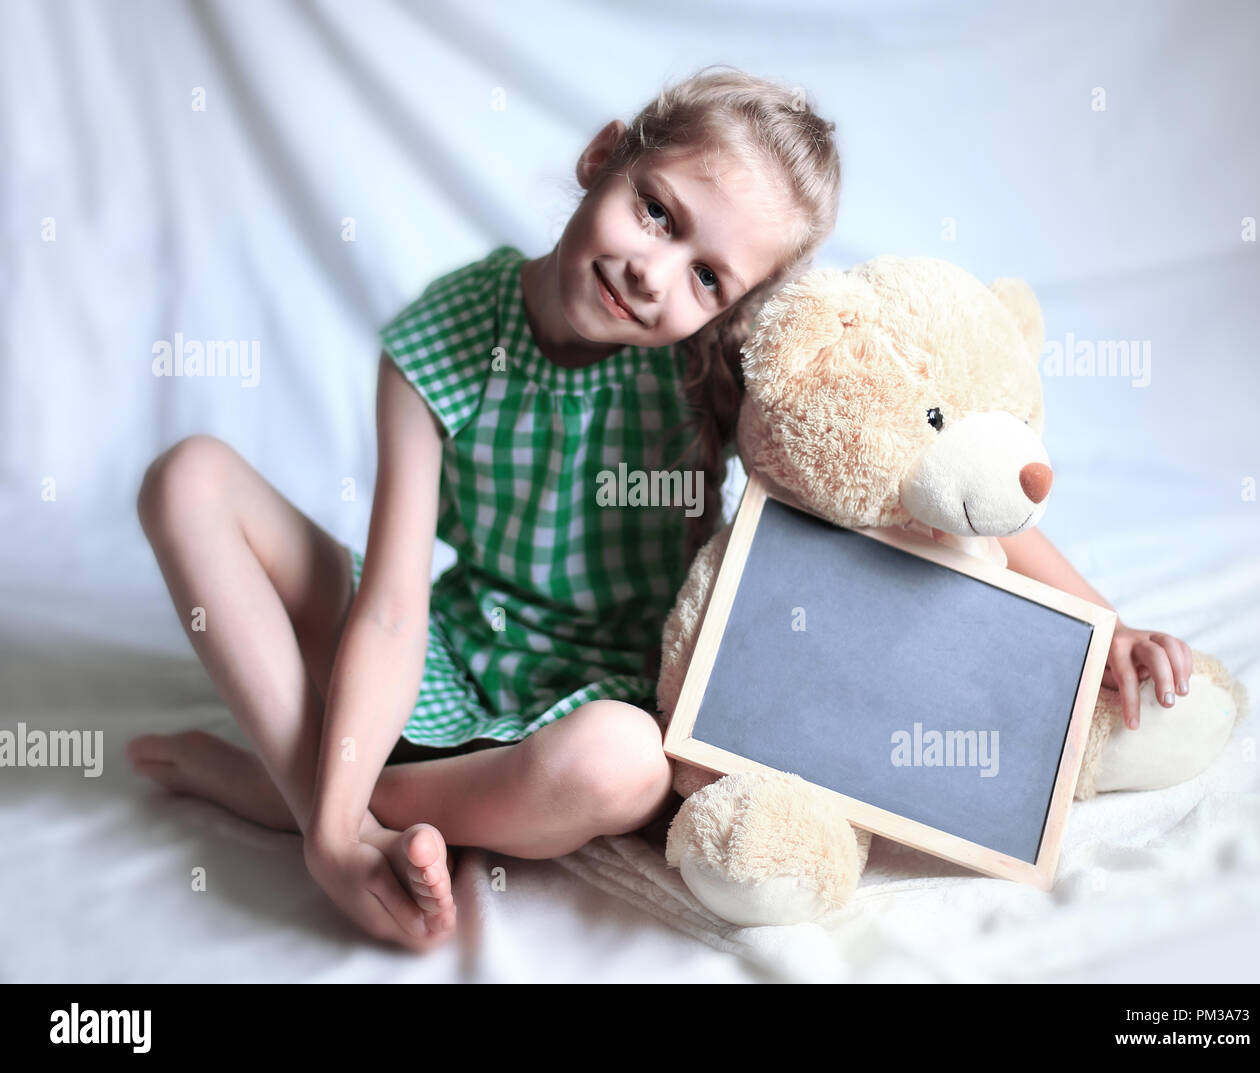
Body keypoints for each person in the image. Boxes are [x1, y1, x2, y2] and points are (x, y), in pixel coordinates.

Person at [128, 67, 1194, 954]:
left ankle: (302, 787)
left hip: (613, 695)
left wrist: (1102, 617)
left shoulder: (709, 364)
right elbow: (397, 603)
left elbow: (906, 464)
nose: (655, 275)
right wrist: (333, 839)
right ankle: (326, 806)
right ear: (603, 156)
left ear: (733, 307)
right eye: (656, 211)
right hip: (451, 641)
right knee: (190, 477)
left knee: (622, 765)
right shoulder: (449, 331)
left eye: (706, 276)